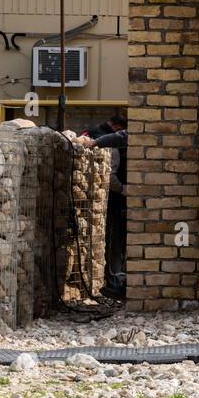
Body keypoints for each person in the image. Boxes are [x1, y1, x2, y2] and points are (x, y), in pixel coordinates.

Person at [78, 112, 127, 298]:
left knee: (113, 242)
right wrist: (124, 190)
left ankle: (115, 283)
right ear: (117, 126)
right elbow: (112, 176)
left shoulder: (93, 133)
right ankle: (115, 283)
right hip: (116, 200)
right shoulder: (109, 142)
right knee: (115, 242)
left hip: (111, 200)